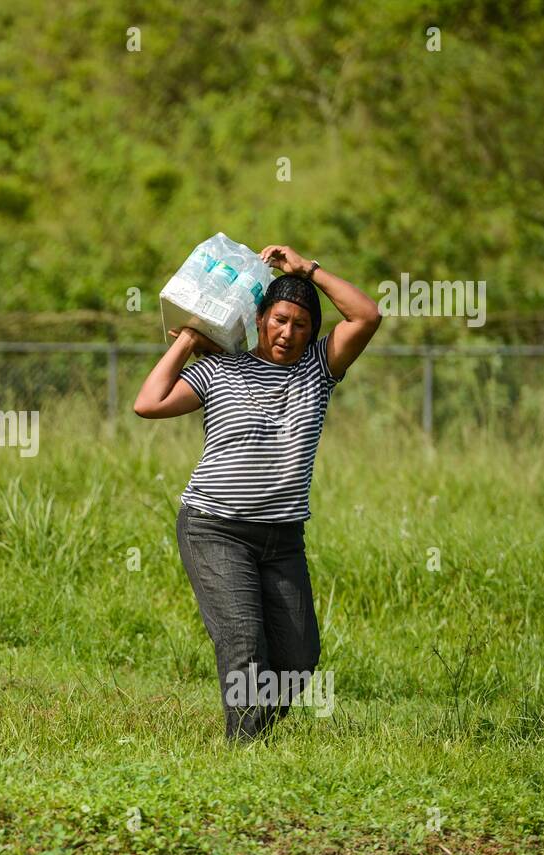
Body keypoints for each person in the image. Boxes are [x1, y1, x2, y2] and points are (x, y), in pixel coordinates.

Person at [133, 246, 381, 742]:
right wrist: (189, 338)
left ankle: (255, 739)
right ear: (260, 319)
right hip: (215, 530)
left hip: (282, 539)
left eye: (301, 325)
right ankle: (244, 753)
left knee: (299, 660)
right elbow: (148, 403)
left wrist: (308, 270)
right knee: (244, 644)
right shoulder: (219, 369)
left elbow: (367, 315)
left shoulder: (319, 370)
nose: (288, 333)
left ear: (312, 332)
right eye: (280, 320)